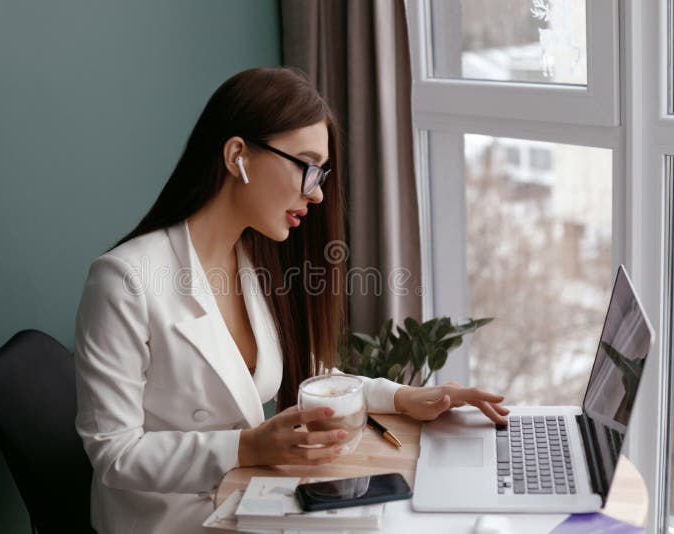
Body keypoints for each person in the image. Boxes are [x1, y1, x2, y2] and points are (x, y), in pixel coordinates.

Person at [73, 66, 509, 534]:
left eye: (321, 173)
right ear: (237, 155)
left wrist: (404, 396)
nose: (317, 193)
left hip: (245, 497)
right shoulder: (124, 280)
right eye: (306, 166)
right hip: (170, 521)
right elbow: (114, 454)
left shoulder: (252, 258)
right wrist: (246, 448)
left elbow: (313, 376)